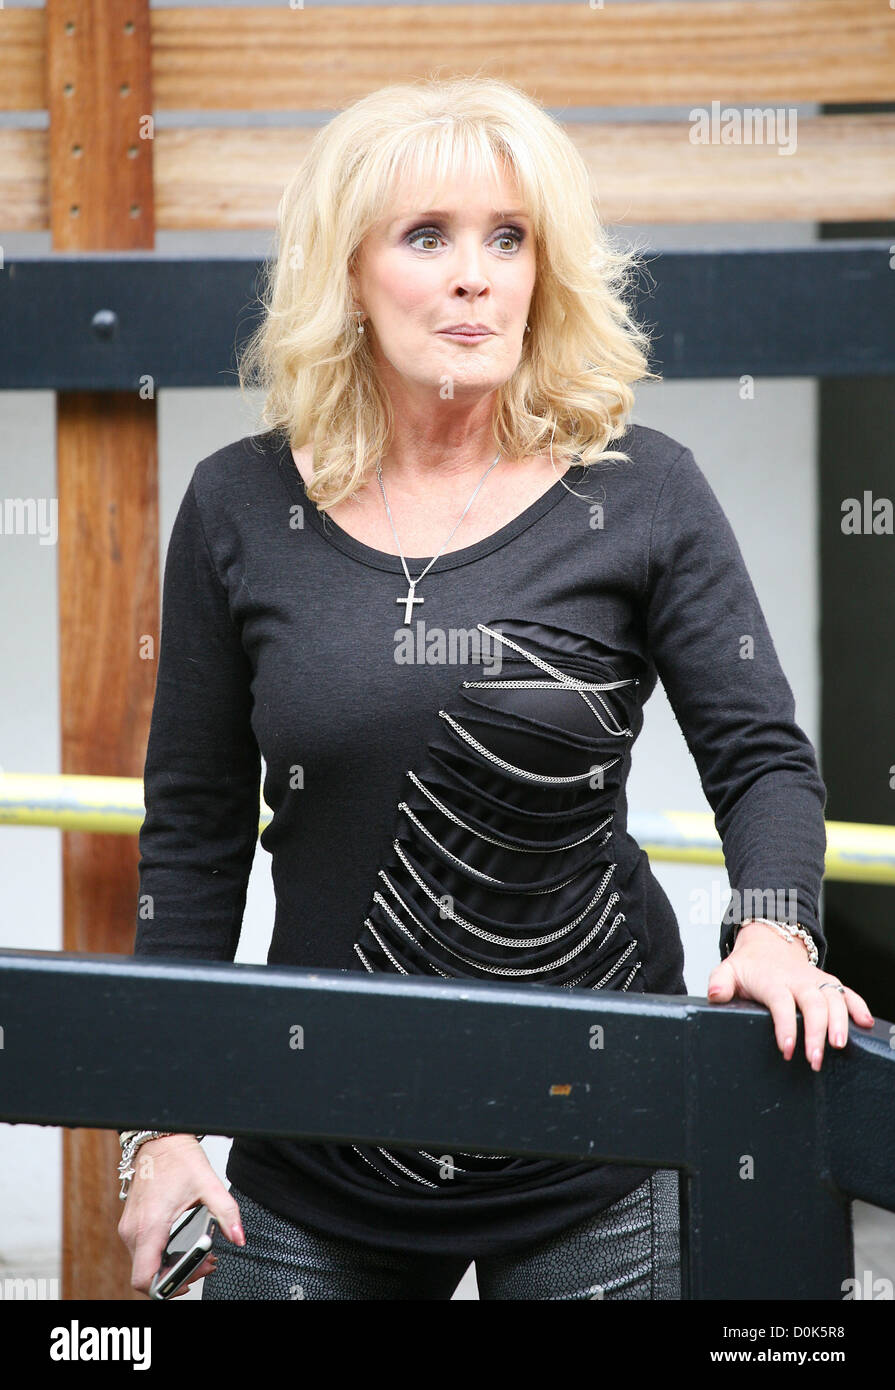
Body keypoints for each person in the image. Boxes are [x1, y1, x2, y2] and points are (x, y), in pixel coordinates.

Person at [117, 74, 873, 1301]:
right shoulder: (236, 506)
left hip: (601, 1138)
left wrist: (775, 929)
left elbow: (762, 759)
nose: (476, 274)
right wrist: (159, 1128)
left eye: (507, 237)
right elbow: (192, 840)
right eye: (427, 236)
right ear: (348, 276)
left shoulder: (640, 489)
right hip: (314, 1144)